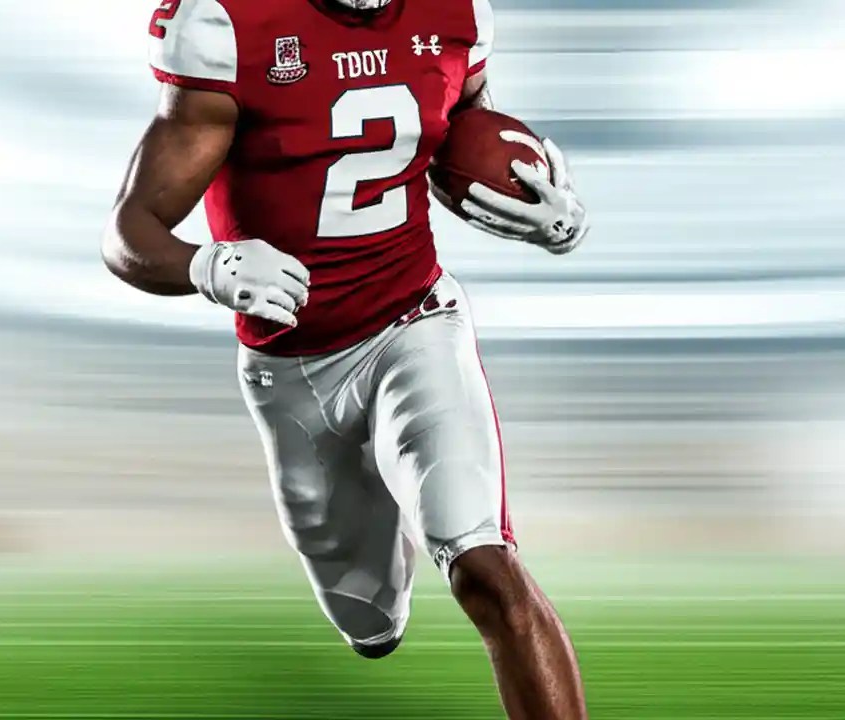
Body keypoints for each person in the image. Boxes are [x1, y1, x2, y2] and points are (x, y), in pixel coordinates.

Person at [103, 0, 590, 717]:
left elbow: (463, 141)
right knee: (370, 623)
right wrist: (208, 266)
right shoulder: (233, 24)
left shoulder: (455, 12)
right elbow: (130, 232)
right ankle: (379, 579)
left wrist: (542, 204)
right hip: (294, 369)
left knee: (485, 565)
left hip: (415, 323)